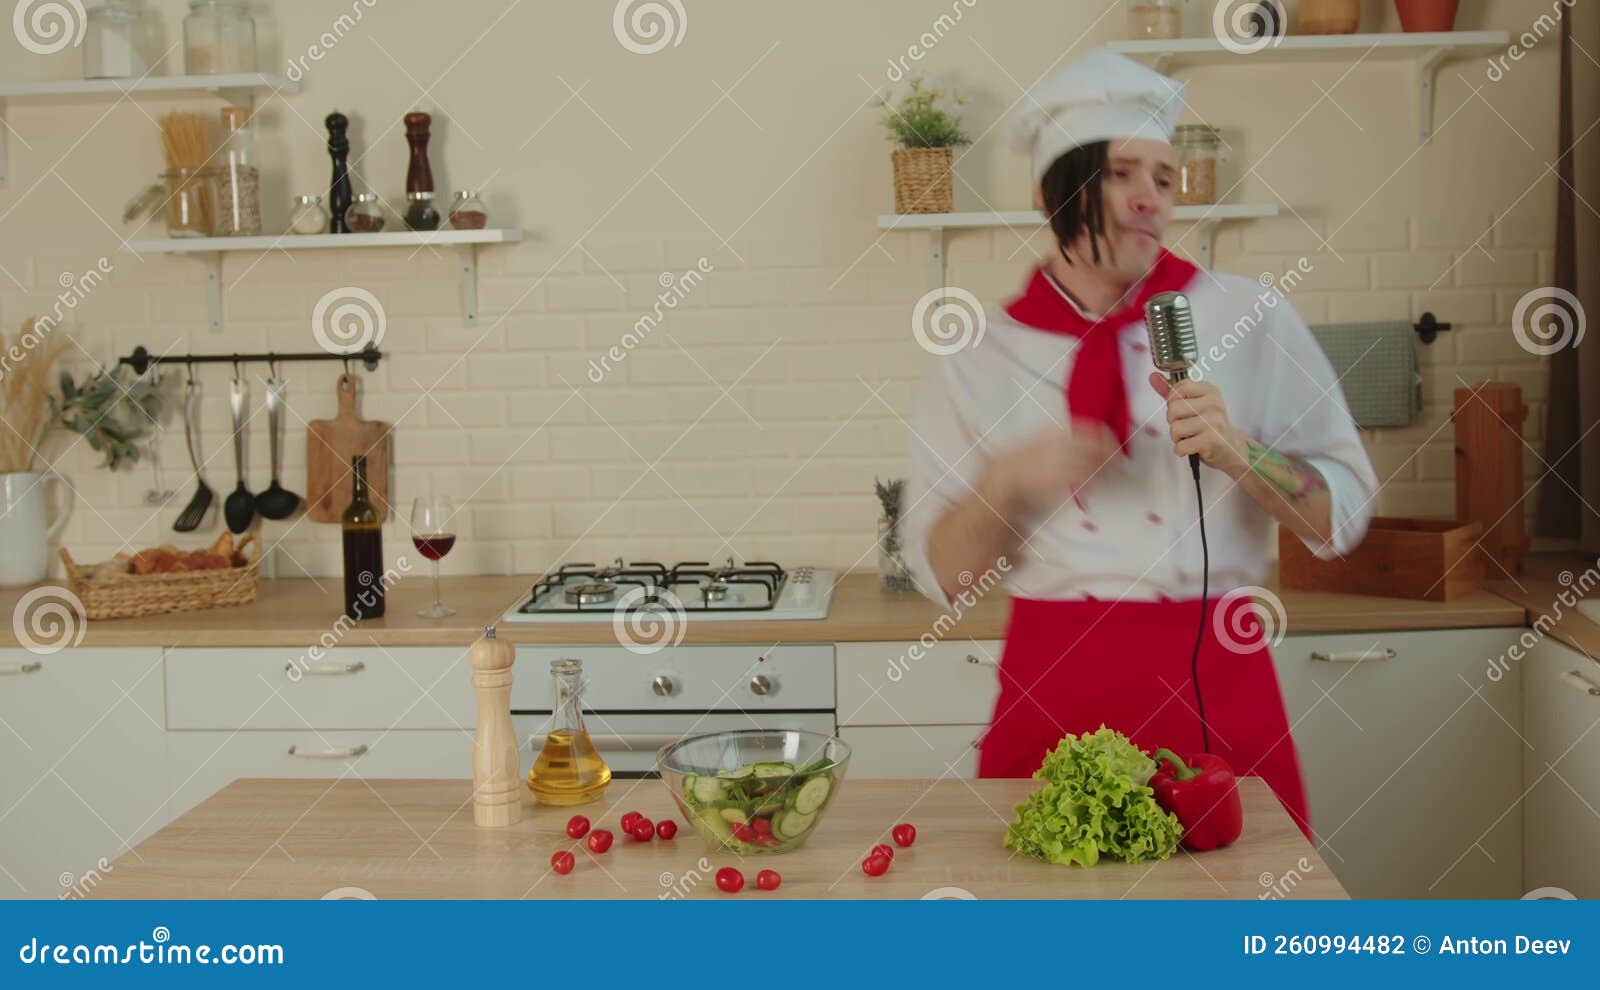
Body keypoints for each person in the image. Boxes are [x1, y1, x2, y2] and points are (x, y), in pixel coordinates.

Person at [899, 49, 1379, 838]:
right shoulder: (977, 355)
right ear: (1053, 190)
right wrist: (1005, 481)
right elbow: (942, 576)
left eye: (1163, 177)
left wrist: (1239, 452)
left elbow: (1341, 520)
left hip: (1220, 677)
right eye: (1122, 173)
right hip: (1054, 683)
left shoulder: (1250, 318)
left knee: (1244, 915)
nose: (1150, 198)